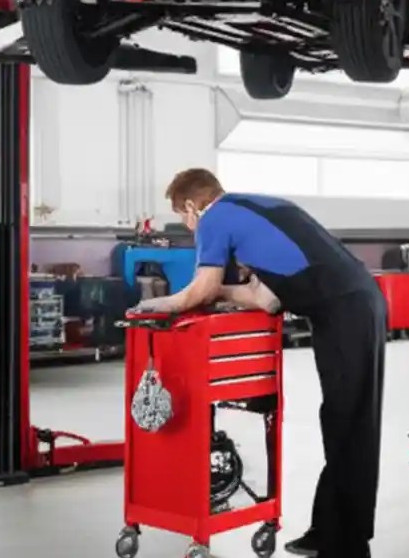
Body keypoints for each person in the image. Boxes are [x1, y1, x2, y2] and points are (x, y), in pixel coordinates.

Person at [135, 168, 387, 558]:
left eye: (184, 218)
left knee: (349, 420)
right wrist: (224, 290)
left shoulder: (214, 218)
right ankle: (327, 529)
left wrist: (158, 304)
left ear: (191, 205)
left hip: (345, 310)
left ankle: (348, 543)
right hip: (353, 302)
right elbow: (267, 298)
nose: (189, 226)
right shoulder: (260, 207)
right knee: (338, 417)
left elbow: (201, 290)